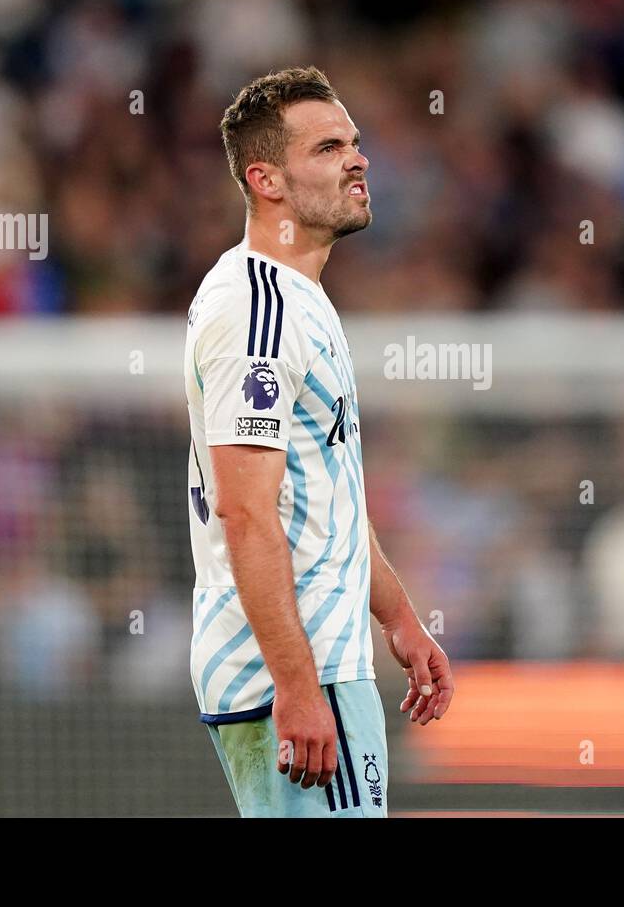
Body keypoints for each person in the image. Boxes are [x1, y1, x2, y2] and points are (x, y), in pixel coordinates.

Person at [184, 66, 454, 817]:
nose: (358, 159)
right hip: (290, 674)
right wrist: (298, 687)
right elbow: (246, 513)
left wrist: (397, 617)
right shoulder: (258, 312)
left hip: (317, 663)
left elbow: (320, 496)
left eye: (356, 142)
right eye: (329, 147)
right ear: (265, 179)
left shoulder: (299, 299)